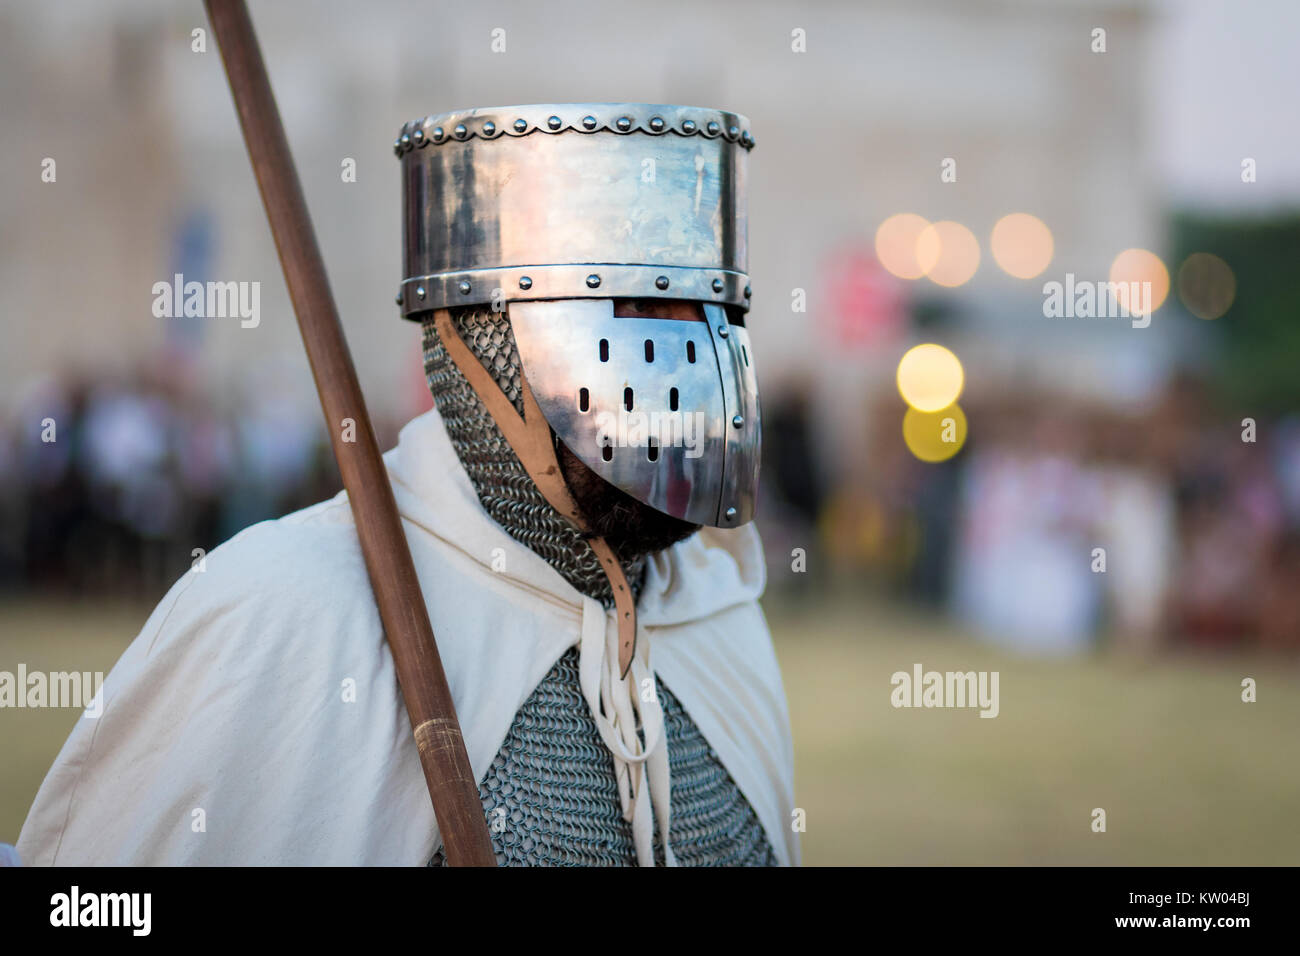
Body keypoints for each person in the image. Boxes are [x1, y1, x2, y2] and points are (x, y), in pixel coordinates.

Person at [17, 104, 798, 866]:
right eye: (636, 316)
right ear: (476, 344)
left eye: (708, 314)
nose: (683, 372)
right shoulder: (285, 620)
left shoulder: (721, 623)